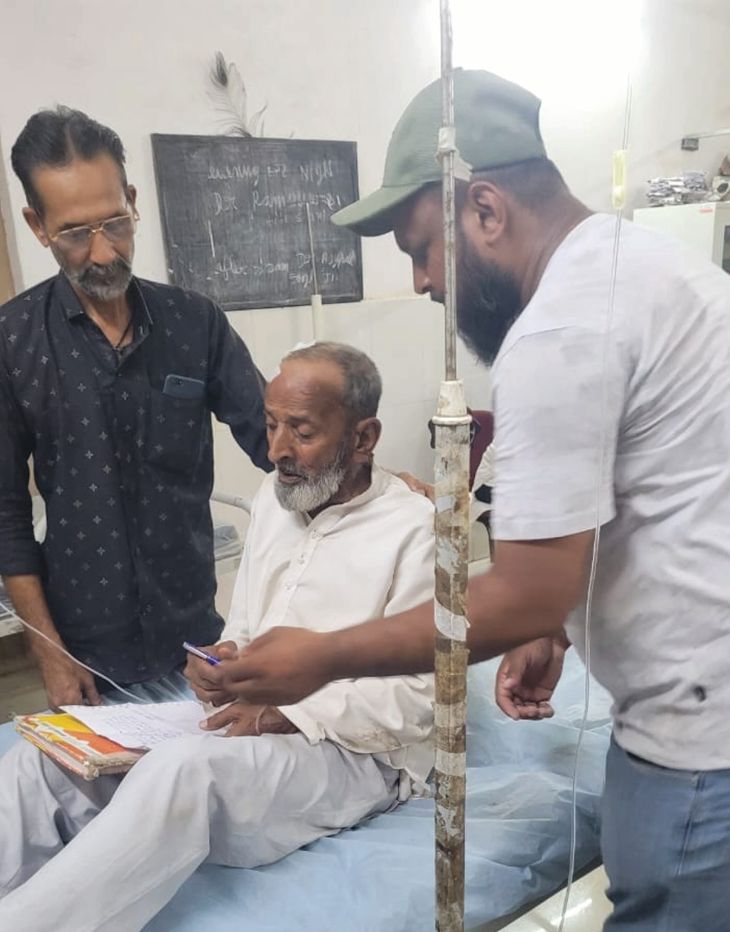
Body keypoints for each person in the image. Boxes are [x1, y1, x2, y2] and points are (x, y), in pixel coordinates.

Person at [195, 70, 730, 930]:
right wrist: (555, 623)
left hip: (703, 751)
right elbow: (659, 492)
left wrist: (321, 660)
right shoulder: (649, 270)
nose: (418, 284)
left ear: (485, 210)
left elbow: (522, 588)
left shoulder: (560, 331)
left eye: (419, 249)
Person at [0, 341, 435, 932]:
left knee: (182, 773)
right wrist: (221, 663)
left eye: (301, 431)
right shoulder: (276, 500)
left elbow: (419, 703)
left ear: (364, 438)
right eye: (272, 423)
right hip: (244, 725)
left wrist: (285, 710)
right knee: (43, 763)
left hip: (357, 755)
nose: (277, 449)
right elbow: (245, 631)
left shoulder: (416, 530)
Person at [0, 106, 270, 707]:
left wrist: (370, 484)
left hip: (198, 644)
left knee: (209, 794)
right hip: (87, 661)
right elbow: (6, 516)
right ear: (36, 225)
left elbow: (276, 441)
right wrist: (51, 655)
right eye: (74, 233)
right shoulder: (13, 343)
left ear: (132, 198)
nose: (101, 253)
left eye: (115, 223)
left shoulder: (195, 324)